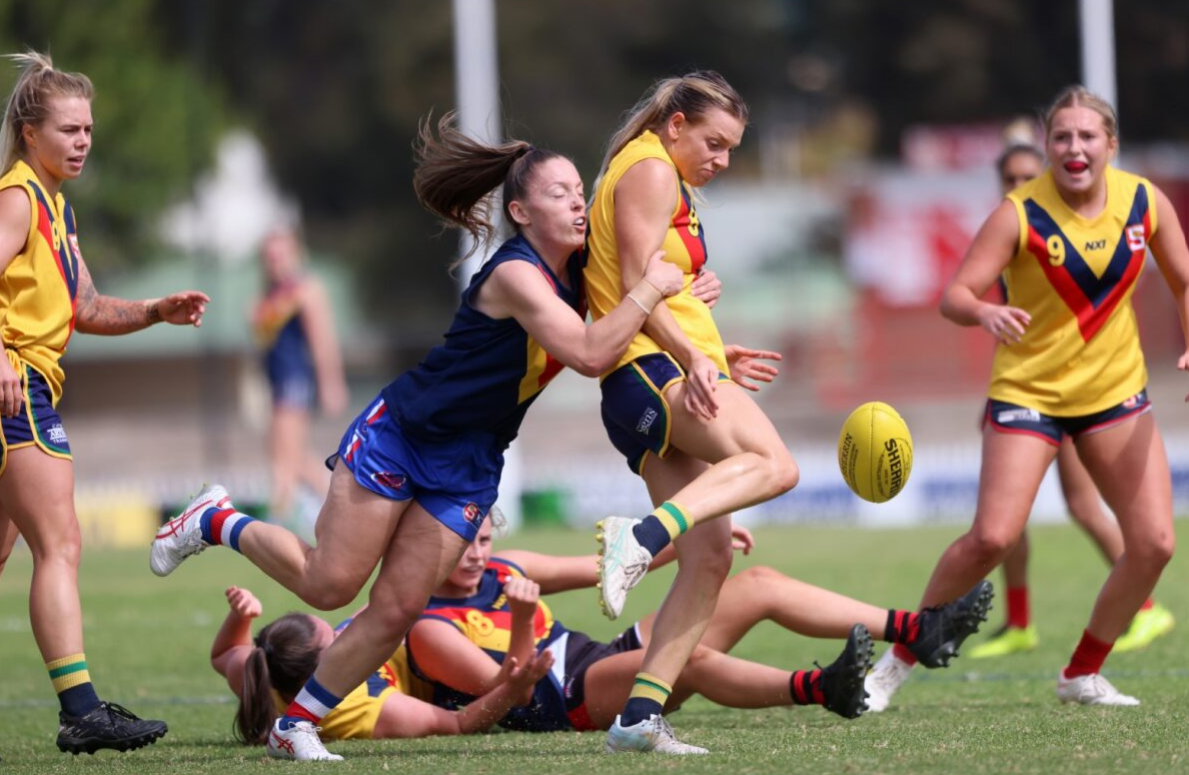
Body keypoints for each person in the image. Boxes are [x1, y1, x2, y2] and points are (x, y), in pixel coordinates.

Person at [150, 111, 693, 761]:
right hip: (404, 435)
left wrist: (701, 345)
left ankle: (294, 725)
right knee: (330, 585)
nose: (578, 202)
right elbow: (586, 351)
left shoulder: (584, 271)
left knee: (400, 604)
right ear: (519, 211)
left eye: (581, 191)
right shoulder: (516, 274)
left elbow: (632, 315)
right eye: (559, 193)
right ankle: (215, 519)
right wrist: (652, 288)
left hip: (470, 462)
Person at [583, 71, 993, 753]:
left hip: (653, 375)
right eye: (713, 143)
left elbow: (659, 285)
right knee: (774, 466)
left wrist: (712, 346)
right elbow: (632, 286)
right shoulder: (651, 168)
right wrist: (691, 356)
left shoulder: (659, 176)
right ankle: (642, 538)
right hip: (648, 371)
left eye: (732, 149)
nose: (721, 160)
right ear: (676, 124)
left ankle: (637, 718)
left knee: (709, 559)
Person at [864, 86, 1187, 711]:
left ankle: (1081, 673)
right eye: (1061, 137)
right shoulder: (1018, 212)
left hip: (1115, 392)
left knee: (1155, 544)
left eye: (1087, 136)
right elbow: (954, 294)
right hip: (1029, 393)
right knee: (992, 538)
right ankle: (895, 664)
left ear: (1110, 145)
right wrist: (984, 311)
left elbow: (1184, 279)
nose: (1074, 147)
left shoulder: (1146, 202)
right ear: (1047, 146)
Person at [0, 51, 209, 755]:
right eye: (68, 128)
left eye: (88, 128)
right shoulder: (19, 197)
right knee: (59, 543)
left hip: (26, 382)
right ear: (31, 134)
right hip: (16, 386)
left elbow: (84, 306)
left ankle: (81, 710)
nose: (83, 140)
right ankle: (82, 711)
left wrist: (156, 308)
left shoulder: (55, 204)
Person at [406, 515, 1004, 736]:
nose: (478, 553)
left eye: (485, 537)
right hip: (565, 701)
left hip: (597, 657)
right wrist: (518, 620)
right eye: (464, 543)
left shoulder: (509, 565)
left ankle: (914, 628)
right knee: (682, 660)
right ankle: (824, 689)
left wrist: (695, 542)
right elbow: (506, 690)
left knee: (759, 583)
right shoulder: (427, 626)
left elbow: (602, 568)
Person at [970, 141, 1175, 659]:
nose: (1018, 186)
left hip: (1071, 394)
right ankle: (1020, 621)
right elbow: (1019, 326)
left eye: (1025, 175)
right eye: (1008, 178)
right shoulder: (1010, 231)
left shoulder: (1056, 227)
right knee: (1005, 523)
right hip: (1026, 388)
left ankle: (1146, 608)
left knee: (1082, 506)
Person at [209, 585, 553, 743]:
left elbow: (225, 654)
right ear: (320, 671)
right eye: (336, 640)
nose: (344, 634)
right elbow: (461, 725)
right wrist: (512, 689)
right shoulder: (368, 709)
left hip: (408, 627)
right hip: (443, 662)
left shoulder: (261, 667)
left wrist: (240, 618)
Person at [251, 227, 348, 527]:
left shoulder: (304, 290)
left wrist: (331, 382)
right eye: (269, 257)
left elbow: (322, 340)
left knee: (283, 457)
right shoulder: (269, 295)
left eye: (280, 255)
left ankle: (278, 519)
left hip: (295, 382)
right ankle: (341, 508)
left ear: (295, 254)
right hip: (277, 383)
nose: (275, 262)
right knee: (290, 455)